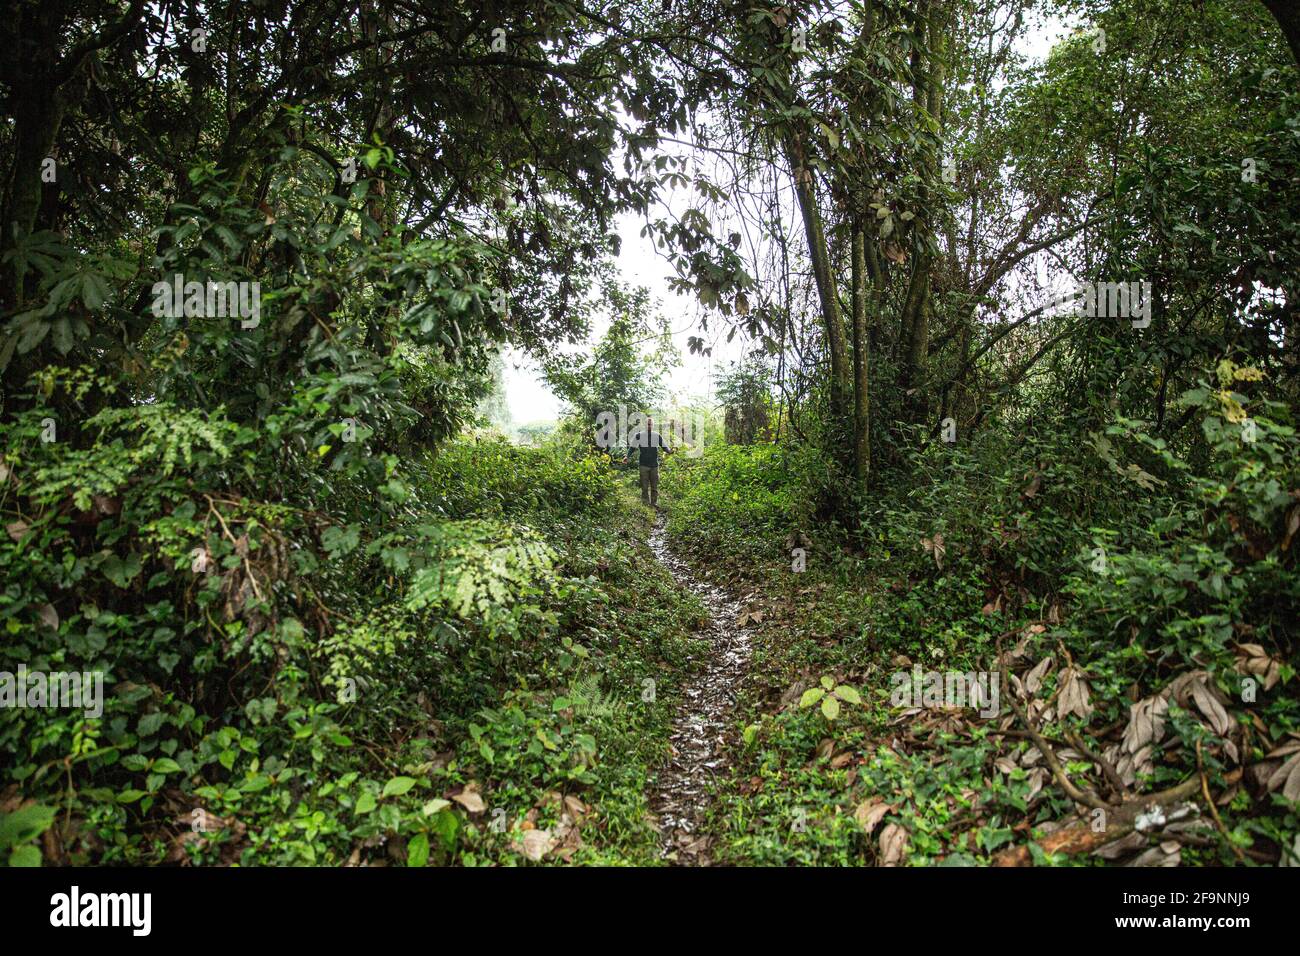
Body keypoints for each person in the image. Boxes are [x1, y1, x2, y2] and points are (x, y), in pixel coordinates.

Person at [631, 415, 671, 507]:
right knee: (644, 487)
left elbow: (664, 446)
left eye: (651, 424)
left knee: (654, 486)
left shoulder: (657, 436)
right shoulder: (639, 435)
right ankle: (645, 504)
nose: (649, 426)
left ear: (653, 425)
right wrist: (627, 457)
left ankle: (654, 503)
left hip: (654, 465)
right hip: (643, 465)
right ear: (644, 425)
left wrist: (669, 451)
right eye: (647, 424)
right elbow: (632, 448)